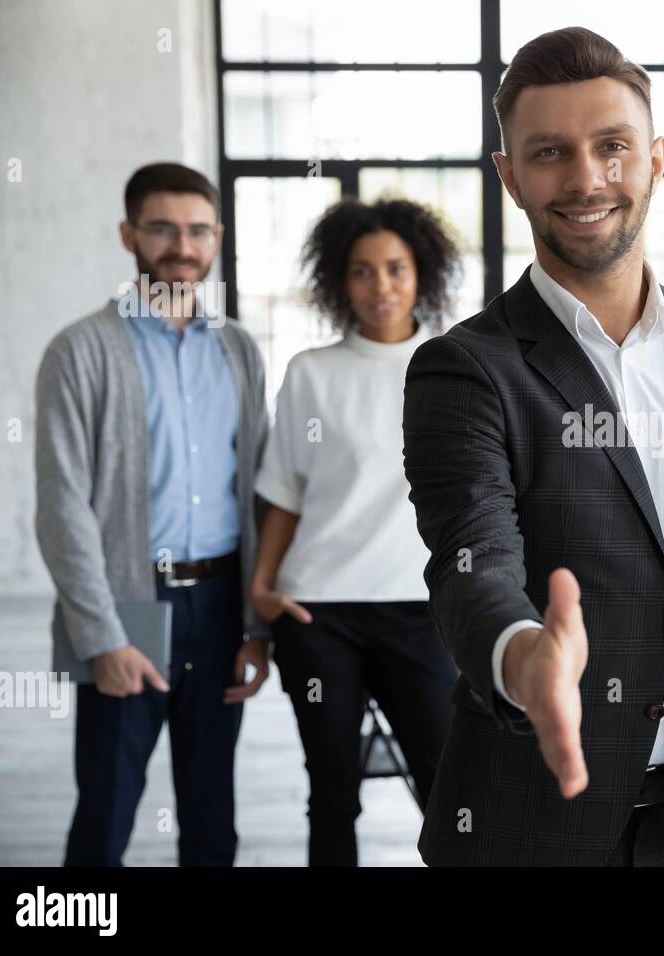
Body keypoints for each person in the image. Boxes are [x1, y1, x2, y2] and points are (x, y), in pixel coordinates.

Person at [402, 27, 664, 867]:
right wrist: (525, 661)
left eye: (613, 147)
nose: (587, 178)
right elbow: (471, 565)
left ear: (656, 160)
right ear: (510, 176)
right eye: (551, 152)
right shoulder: (464, 370)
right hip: (530, 820)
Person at [35, 162, 270, 866]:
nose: (182, 246)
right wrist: (102, 637)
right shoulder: (80, 350)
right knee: (106, 810)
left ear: (217, 237)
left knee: (212, 815)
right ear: (128, 234)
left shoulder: (238, 349)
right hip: (129, 602)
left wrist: (257, 625)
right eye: (162, 228)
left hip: (222, 598)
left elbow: (259, 490)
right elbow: (61, 508)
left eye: (198, 230)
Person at [251, 198, 460, 867]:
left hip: (423, 612)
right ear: (340, 283)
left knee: (447, 786)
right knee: (333, 791)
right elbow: (284, 492)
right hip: (319, 615)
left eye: (395, 269)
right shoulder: (310, 373)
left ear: (420, 273)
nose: (381, 286)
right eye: (362, 272)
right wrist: (261, 588)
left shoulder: (457, 364)